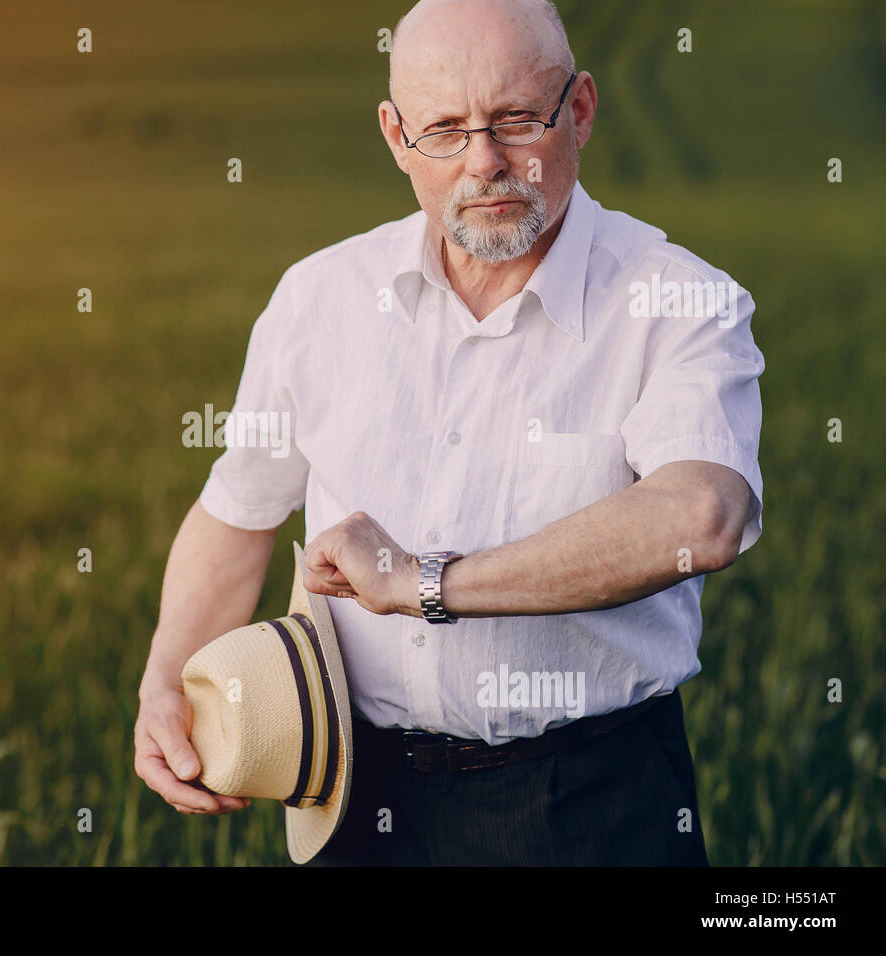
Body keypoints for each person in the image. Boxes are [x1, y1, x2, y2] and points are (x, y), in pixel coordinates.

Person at [133, 0, 763, 865]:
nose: (486, 164)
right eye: (445, 131)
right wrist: (166, 682)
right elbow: (237, 516)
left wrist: (425, 581)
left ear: (578, 110)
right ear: (396, 137)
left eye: (515, 120)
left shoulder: (677, 299)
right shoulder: (319, 299)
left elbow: (703, 518)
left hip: (586, 806)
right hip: (350, 797)